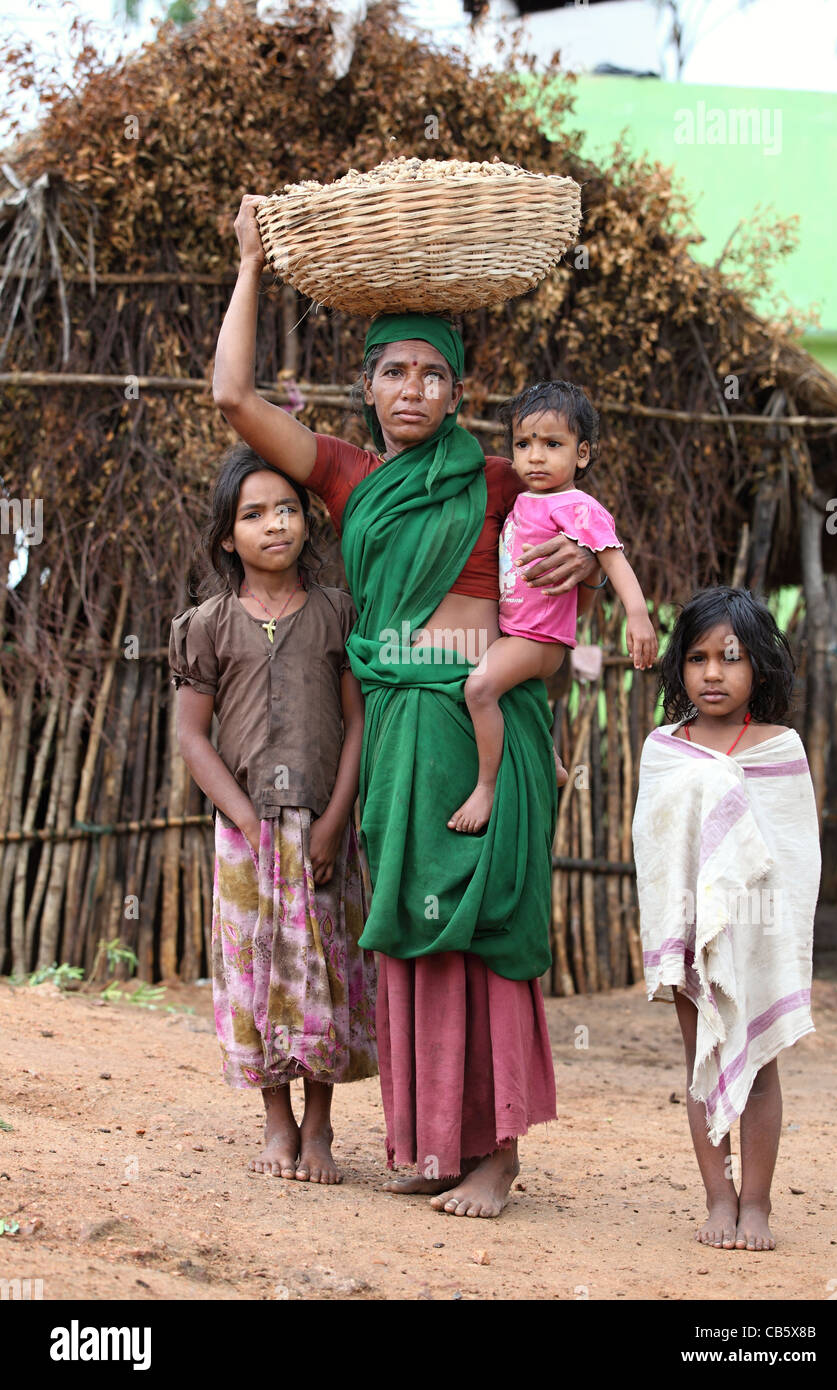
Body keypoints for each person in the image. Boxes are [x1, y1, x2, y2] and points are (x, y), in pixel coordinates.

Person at [211, 195, 603, 1218]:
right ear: (368, 384)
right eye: (394, 370)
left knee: (483, 927)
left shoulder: (498, 477)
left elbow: (582, 556)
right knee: (409, 929)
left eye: (433, 373)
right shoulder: (345, 476)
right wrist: (252, 262)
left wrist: (586, 565)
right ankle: (432, 1142)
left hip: (480, 730)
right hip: (393, 738)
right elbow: (232, 397)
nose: (413, 388)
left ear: (459, 390)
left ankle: (497, 1155)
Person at [168, 443, 377, 1185]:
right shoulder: (207, 624)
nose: (274, 525)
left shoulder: (336, 613)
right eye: (253, 514)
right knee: (255, 969)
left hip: (322, 826)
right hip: (244, 832)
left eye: (286, 509)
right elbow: (192, 737)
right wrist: (249, 826)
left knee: (324, 967)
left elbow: (357, 725)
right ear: (228, 536)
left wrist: (332, 823)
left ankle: (320, 1128)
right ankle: (277, 1122)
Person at [633, 587, 820, 1251]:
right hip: (695, 935)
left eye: (731, 658)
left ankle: (758, 1205)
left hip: (757, 933)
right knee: (702, 1061)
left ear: (760, 666)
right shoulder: (667, 749)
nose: (712, 673)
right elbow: (656, 851)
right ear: (678, 667)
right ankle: (719, 1198)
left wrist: (769, 926)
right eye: (697, 658)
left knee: (761, 1065)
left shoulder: (779, 750)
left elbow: (797, 856)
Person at [448, 379, 657, 833]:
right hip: (519, 632)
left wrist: (637, 618)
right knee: (510, 695)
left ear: (582, 454)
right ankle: (551, 759)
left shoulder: (577, 506)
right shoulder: (525, 500)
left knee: (478, 690)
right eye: (523, 444)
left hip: (539, 638)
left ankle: (486, 787)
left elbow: (613, 560)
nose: (535, 456)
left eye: (552, 443)